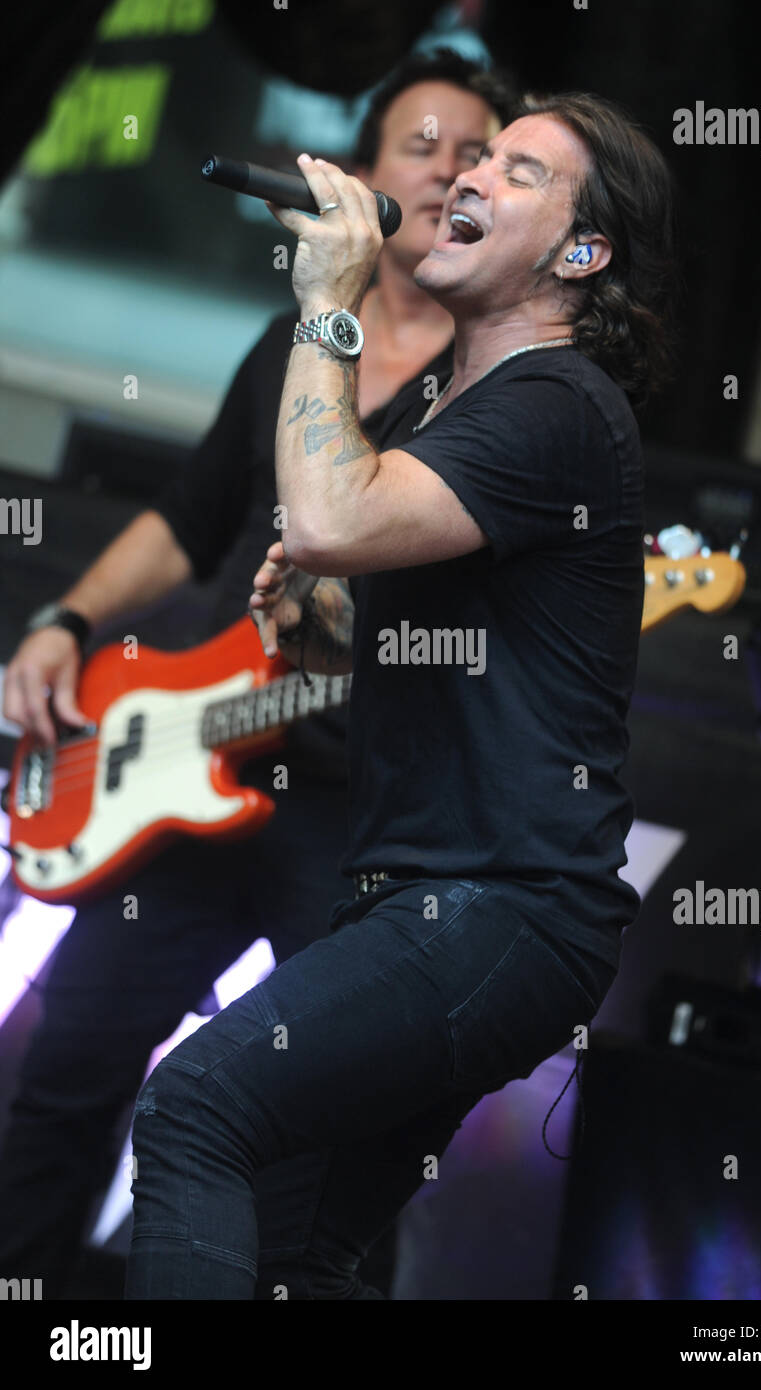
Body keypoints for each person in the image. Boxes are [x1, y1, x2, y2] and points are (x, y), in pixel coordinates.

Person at [124, 90, 677, 1300]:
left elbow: (330, 510)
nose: (471, 176)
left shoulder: (556, 400)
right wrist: (317, 600)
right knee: (290, 1254)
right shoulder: (458, 406)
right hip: (434, 901)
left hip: (499, 904)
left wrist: (328, 303)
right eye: (478, 158)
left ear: (582, 255)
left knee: (196, 1107)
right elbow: (368, 610)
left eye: (519, 171)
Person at [0, 48, 512, 1301]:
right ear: (360, 176)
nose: (445, 170)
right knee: (64, 1075)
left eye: (474, 154)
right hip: (189, 755)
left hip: (355, 808)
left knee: (335, 1131)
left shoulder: (500, 388)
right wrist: (65, 616)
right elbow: (191, 514)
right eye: (420, 146)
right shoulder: (295, 339)